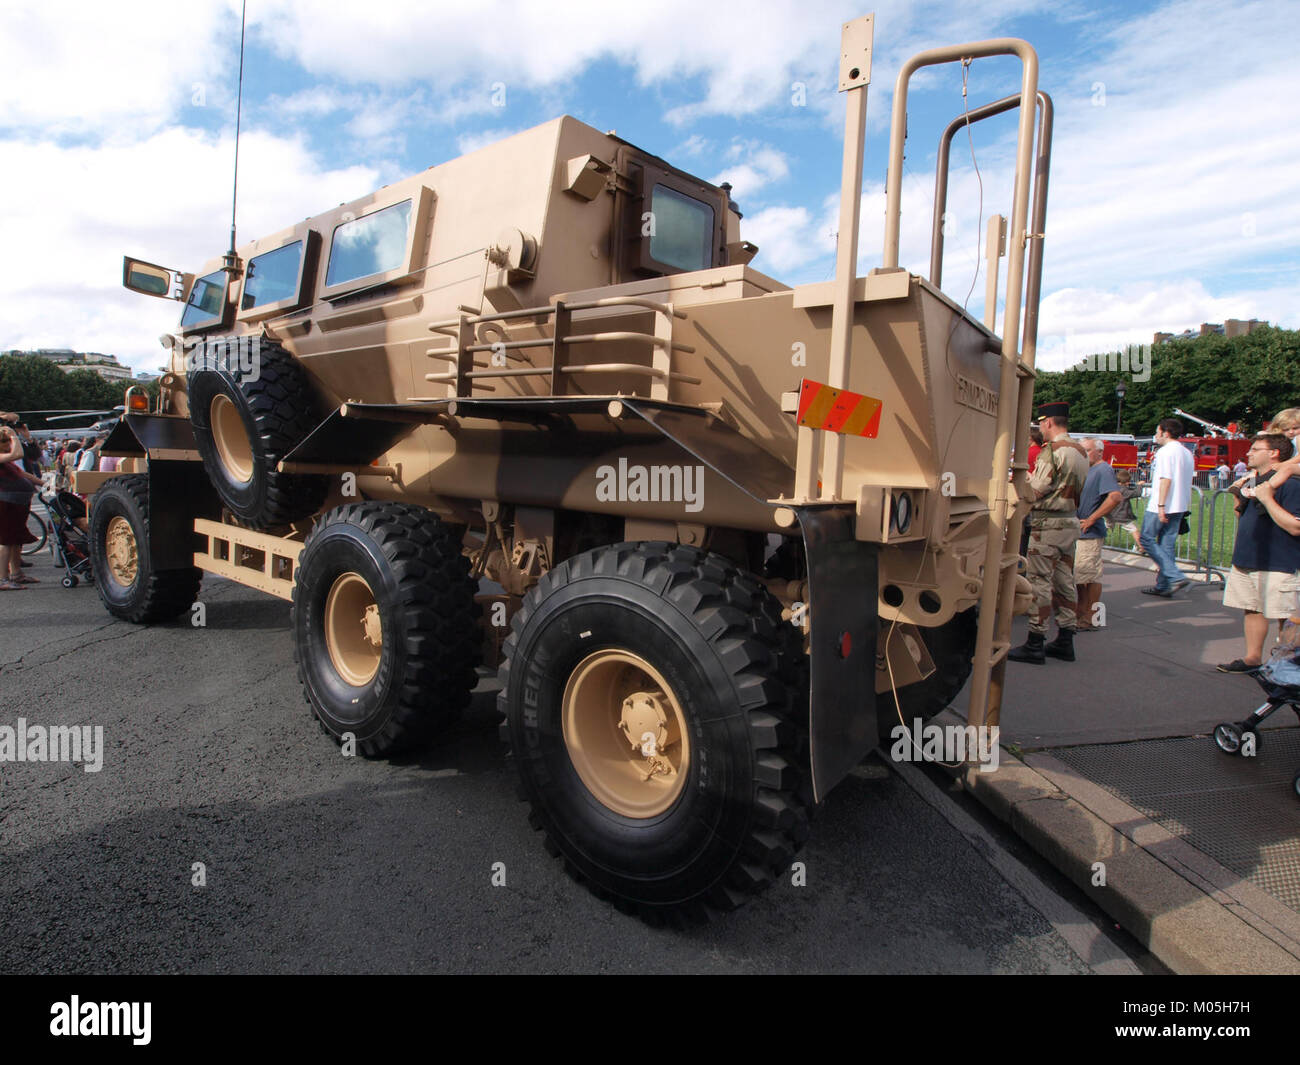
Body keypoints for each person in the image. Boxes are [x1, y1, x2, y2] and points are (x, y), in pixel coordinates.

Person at [1009, 401, 1088, 664]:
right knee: (1065, 580)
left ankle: (1035, 641)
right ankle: (1066, 639)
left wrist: (1021, 481)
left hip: (1048, 524)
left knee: (1039, 580)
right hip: (1069, 522)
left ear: (1049, 423)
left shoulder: (1051, 452)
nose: (1041, 428)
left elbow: (1037, 491)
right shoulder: (1080, 451)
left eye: (1041, 423)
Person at [1216, 433, 1300, 672]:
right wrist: (1238, 493)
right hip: (1249, 557)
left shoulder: (1291, 482)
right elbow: (1241, 513)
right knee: (1252, 608)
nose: (1248, 453)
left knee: (1287, 615)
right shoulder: (1254, 479)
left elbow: (1295, 526)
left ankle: (1287, 666)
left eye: (1255, 449)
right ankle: (1252, 658)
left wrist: (1267, 498)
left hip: (1279, 560)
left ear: (1273, 453)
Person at [1139, 417, 1195, 597]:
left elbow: (1165, 479)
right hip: (1179, 504)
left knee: (1147, 539)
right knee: (1166, 544)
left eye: (1157, 432)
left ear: (1165, 432)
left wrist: (1161, 505)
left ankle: (1174, 576)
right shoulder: (1186, 452)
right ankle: (1165, 585)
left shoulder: (1165, 452)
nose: (1156, 435)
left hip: (1162, 504)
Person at [1074, 439, 1123, 631]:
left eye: (1087, 450)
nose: (1083, 454)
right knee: (1081, 576)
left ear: (1099, 452)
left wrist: (1092, 518)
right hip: (1081, 530)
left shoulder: (1103, 470)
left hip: (1089, 532)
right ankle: (1083, 611)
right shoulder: (1090, 469)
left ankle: (1091, 617)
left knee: (1090, 575)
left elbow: (1115, 496)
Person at [0, 413, 43, 590]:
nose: (8, 445)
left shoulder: (5, 460)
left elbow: (21, 473)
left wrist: (43, 482)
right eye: (4, 443)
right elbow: (17, 454)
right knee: (7, 541)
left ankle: (16, 573)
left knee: (16, 540)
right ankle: (3, 579)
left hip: (17, 503)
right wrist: (13, 436)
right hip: (6, 503)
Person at [1111, 469, 1143, 552]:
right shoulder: (1124, 491)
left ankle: (1099, 542)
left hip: (1110, 515)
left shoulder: (1112, 488)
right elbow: (1137, 493)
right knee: (1134, 530)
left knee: (1104, 528)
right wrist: (1139, 485)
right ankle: (1142, 546)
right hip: (1122, 516)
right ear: (1127, 482)